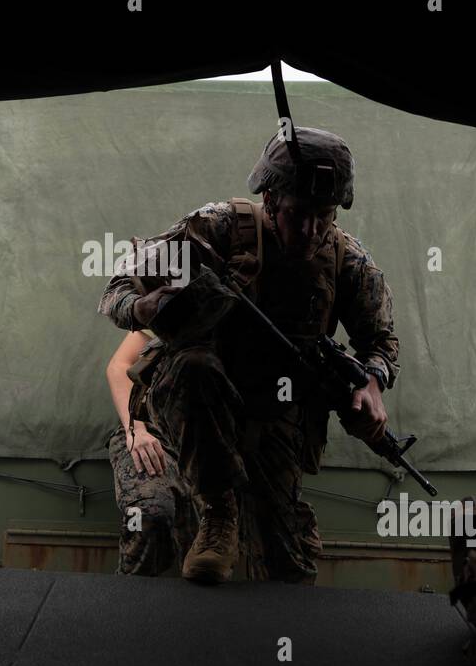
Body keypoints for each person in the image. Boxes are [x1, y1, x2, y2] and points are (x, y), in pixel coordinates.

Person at [97, 126, 399, 585]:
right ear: (272, 199)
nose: (310, 229)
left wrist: (371, 383)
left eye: (323, 215)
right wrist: (145, 306)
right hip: (188, 406)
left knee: (287, 564)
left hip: (271, 416)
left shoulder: (347, 260)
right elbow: (118, 287)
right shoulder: (220, 228)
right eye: (298, 214)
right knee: (195, 364)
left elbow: (380, 342)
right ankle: (219, 513)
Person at [104, 329, 198, 575]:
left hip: (211, 444)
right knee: (149, 514)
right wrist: (135, 428)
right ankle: (130, 602)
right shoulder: (183, 304)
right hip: (154, 434)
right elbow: (119, 365)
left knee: (204, 550)